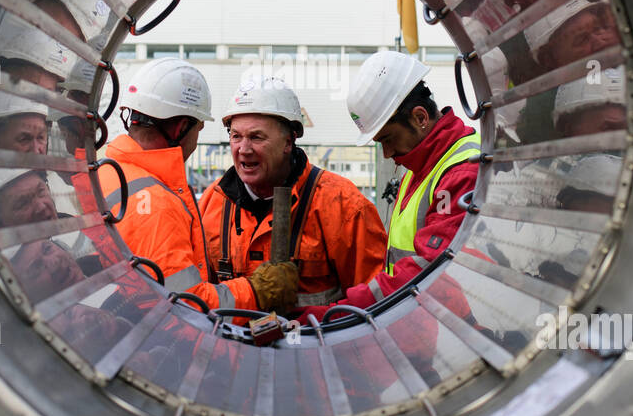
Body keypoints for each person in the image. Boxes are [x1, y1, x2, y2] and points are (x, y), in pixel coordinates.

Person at [85, 59, 298, 314]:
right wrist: (256, 291)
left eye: (257, 137)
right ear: (181, 127)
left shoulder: (107, 172)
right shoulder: (158, 203)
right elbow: (187, 308)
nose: (244, 148)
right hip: (159, 332)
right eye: (198, 127)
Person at [298, 52, 482, 322]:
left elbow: (427, 271)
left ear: (420, 117)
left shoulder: (461, 171)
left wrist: (337, 315)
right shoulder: (422, 166)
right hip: (423, 323)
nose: (386, 153)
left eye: (387, 139)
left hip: (454, 328)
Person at [199, 78, 388, 310]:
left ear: (288, 142)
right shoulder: (212, 204)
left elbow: (374, 303)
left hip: (318, 333)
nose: (244, 149)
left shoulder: (342, 205)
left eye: (256, 137)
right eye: (236, 136)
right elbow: (197, 301)